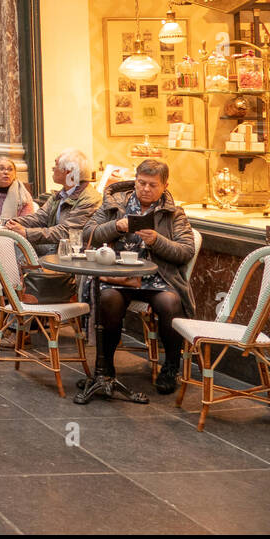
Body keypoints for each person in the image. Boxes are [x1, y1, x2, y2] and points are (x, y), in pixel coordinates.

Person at [82, 158, 196, 393]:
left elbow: (186, 251)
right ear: (135, 181)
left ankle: (171, 367)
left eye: (152, 185)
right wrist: (117, 226)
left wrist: (157, 241)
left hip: (157, 279)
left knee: (170, 302)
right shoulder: (114, 205)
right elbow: (88, 234)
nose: (145, 188)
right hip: (118, 277)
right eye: (141, 182)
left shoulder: (173, 214)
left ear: (165, 185)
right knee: (108, 300)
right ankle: (105, 369)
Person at [4, 147, 101, 304]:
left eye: (56, 165)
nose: (52, 168)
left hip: (69, 253)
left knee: (16, 248)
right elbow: (39, 217)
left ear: (69, 172)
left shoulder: (89, 199)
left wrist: (26, 233)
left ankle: (25, 300)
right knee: (6, 244)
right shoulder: (61, 194)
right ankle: (18, 298)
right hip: (52, 246)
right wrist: (10, 223)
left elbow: (66, 232)